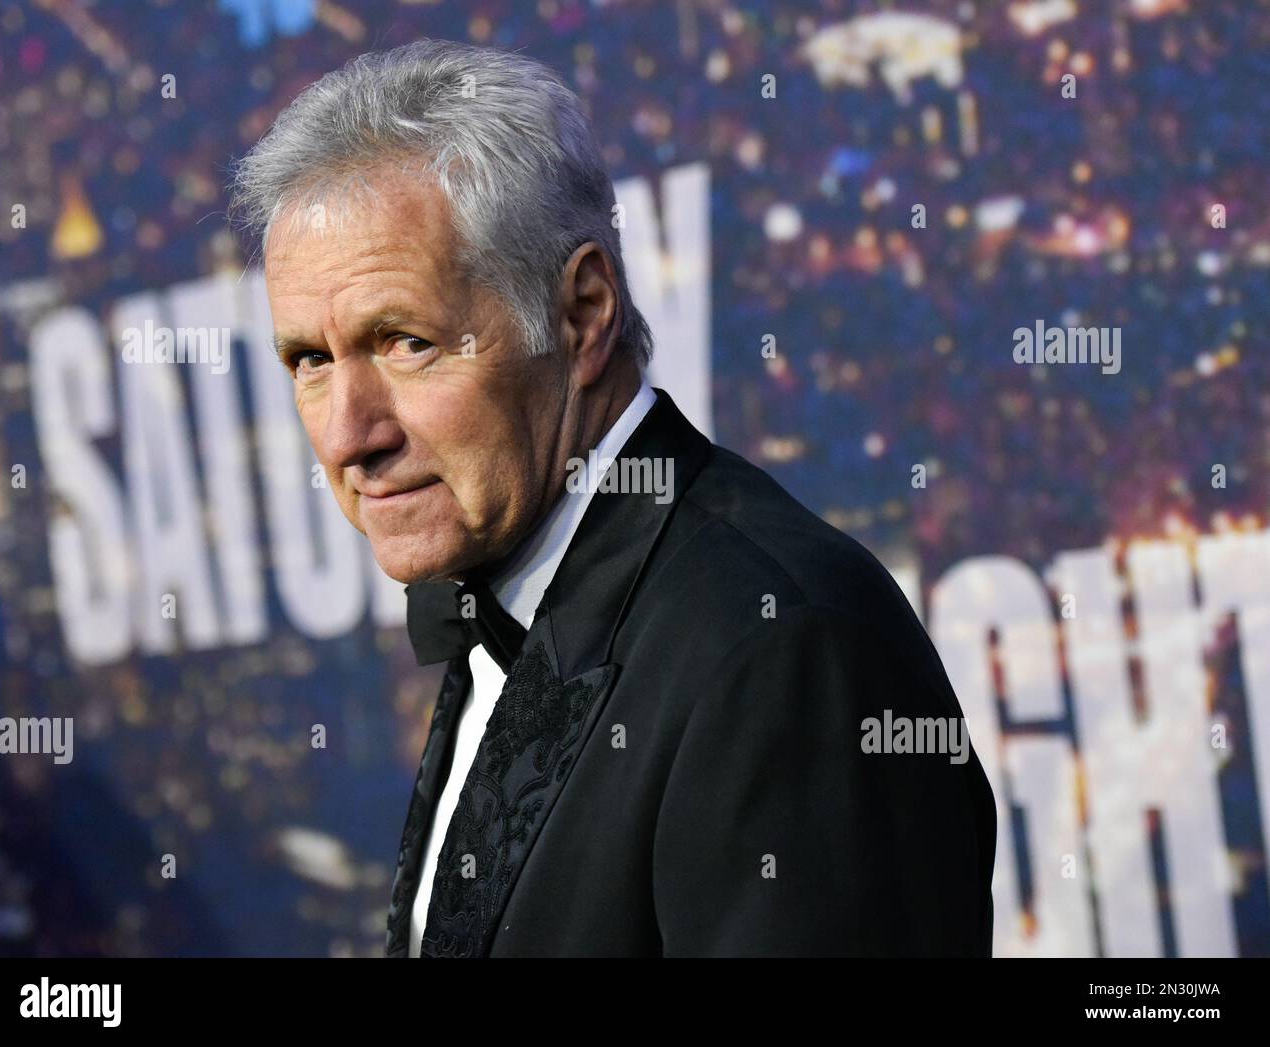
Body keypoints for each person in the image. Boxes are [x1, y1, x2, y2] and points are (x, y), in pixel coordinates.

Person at [229, 38, 996, 958]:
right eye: (310, 361)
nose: (352, 434)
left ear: (583, 312)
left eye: (405, 342)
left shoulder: (784, 650)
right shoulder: (502, 590)